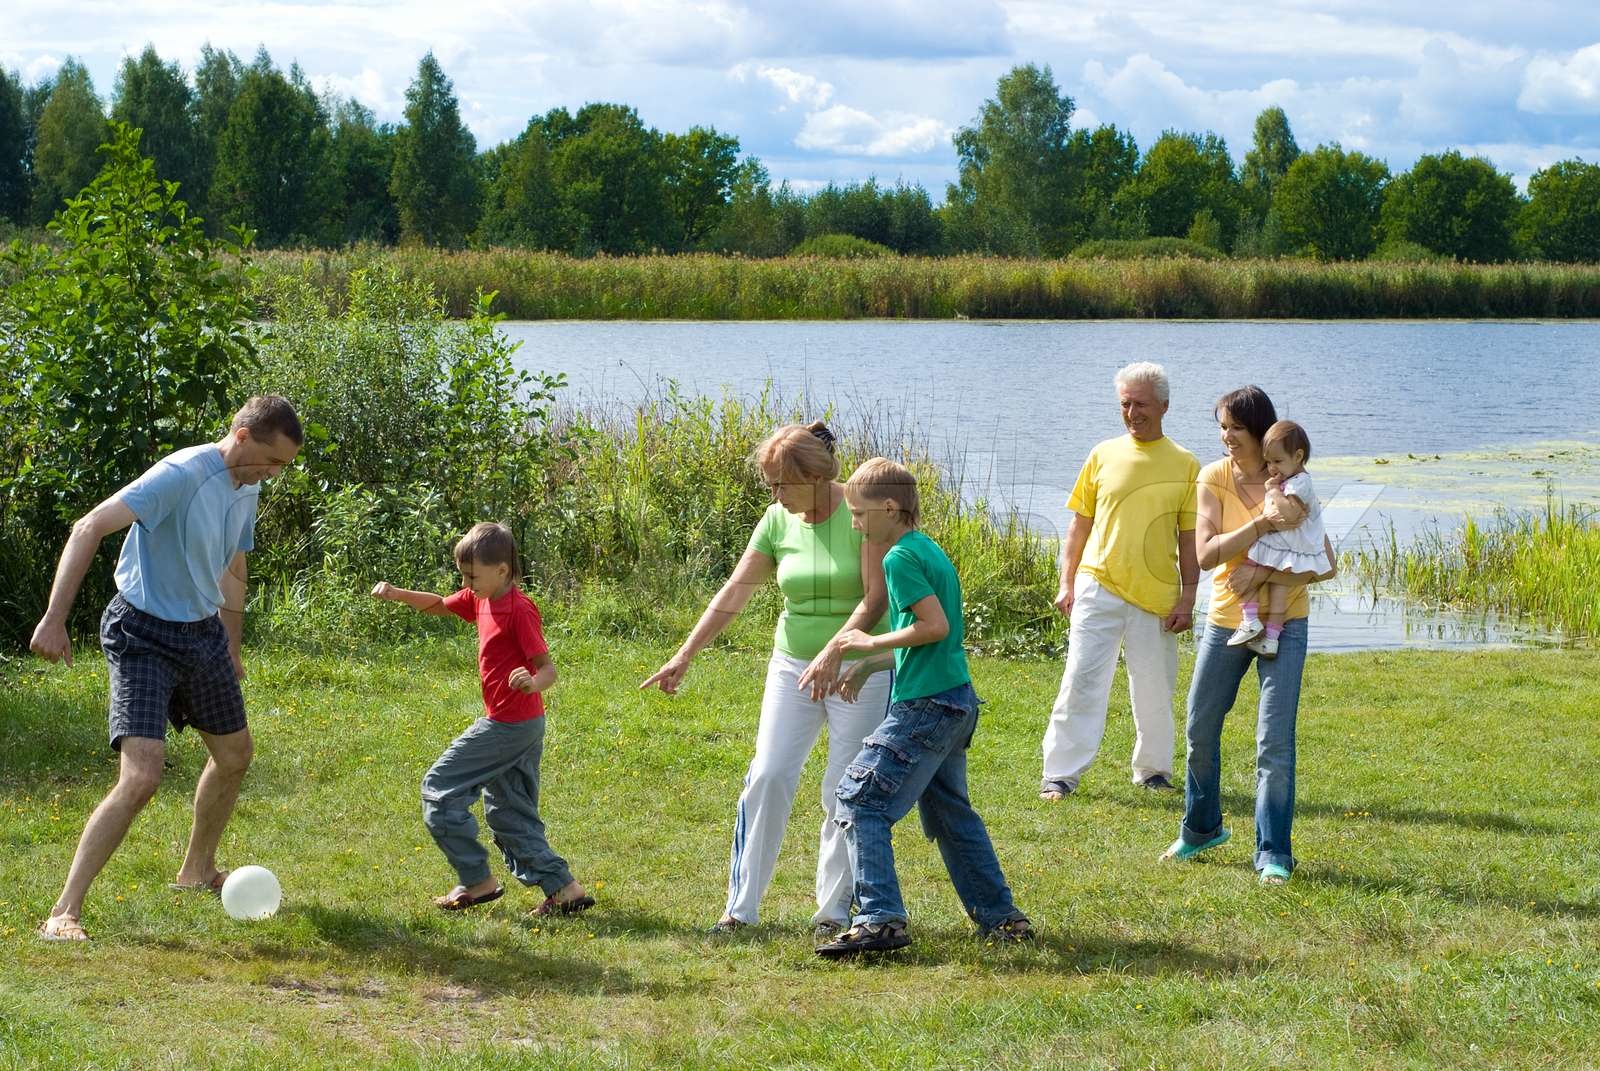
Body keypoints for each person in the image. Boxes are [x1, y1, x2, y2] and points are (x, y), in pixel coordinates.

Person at [30, 396, 304, 941]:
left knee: (234, 755)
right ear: (243, 436)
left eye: (284, 467)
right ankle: (64, 912)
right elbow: (89, 527)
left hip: (201, 632)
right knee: (142, 777)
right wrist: (54, 619)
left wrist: (230, 643)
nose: (273, 475)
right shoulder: (181, 474)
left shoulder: (246, 486)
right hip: (143, 630)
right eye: (272, 461)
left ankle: (197, 872)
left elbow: (233, 562)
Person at [640, 422, 890, 938]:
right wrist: (685, 654)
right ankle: (740, 908)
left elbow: (876, 599)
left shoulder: (860, 511)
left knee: (844, 788)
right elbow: (736, 590)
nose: (774, 495)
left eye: (781, 484)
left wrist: (835, 651)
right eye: (770, 486)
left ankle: (834, 912)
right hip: (794, 666)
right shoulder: (777, 520)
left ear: (815, 477)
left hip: (859, 669)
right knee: (769, 774)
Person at [814, 458, 1030, 958]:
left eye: (859, 514)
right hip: (955, 699)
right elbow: (932, 640)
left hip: (926, 706)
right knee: (951, 815)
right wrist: (874, 664)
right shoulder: (927, 548)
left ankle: (878, 921)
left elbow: (933, 628)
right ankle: (1001, 918)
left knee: (859, 799)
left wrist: (863, 644)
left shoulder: (897, 559)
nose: (854, 524)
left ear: (890, 508)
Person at [1161, 387, 1336, 886]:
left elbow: (1326, 566)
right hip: (1224, 620)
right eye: (1222, 427)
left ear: (1263, 433)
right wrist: (1261, 522)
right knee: (1199, 727)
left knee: (1273, 741)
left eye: (1235, 428)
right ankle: (1201, 829)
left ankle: (1273, 854)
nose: (1226, 437)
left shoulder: (1296, 484)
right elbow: (1207, 554)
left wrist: (1261, 578)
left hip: (1288, 620)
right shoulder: (1213, 477)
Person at [372, 522, 592, 917]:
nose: (466, 583)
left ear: (502, 570)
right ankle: (565, 890)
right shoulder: (481, 598)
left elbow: (548, 670)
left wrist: (531, 682)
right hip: (518, 726)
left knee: (438, 789)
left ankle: (477, 881)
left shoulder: (519, 609)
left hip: (510, 725)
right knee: (508, 812)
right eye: (463, 576)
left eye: (472, 576)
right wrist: (396, 594)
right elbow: (440, 604)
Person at [1038, 362, 1200, 800]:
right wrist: (1066, 582)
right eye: (1125, 404)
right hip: (1098, 586)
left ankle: (1154, 772)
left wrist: (1188, 598)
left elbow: (1189, 541)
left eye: (1141, 404)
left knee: (1155, 689)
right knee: (1081, 681)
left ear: (1164, 406)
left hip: (1157, 597)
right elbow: (1079, 526)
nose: (1132, 413)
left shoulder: (1186, 464)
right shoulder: (1102, 454)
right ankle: (1059, 774)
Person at [1227, 420, 1331, 658]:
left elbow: (1289, 512)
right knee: (1279, 590)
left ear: (1298, 456)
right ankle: (1271, 639)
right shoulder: (1291, 479)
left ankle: (1250, 619)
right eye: (1268, 462)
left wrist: (1272, 490)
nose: (1272, 468)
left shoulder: (1301, 482)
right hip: (1287, 545)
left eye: (1277, 461)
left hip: (1283, 543)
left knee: (1248, 570)